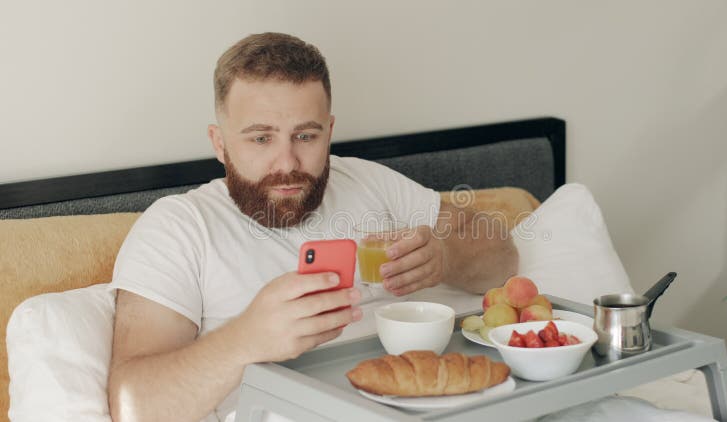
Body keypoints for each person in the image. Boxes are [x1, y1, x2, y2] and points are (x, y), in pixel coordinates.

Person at [106, 32, 518, 422]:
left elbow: (503, 257)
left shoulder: (368, 182)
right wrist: (246, 339)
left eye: (305, 136)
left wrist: (444, 257)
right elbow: (135, 405)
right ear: (219, 143)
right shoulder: (179, 228)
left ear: (329, 133)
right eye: (261, 139)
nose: (287, 163)